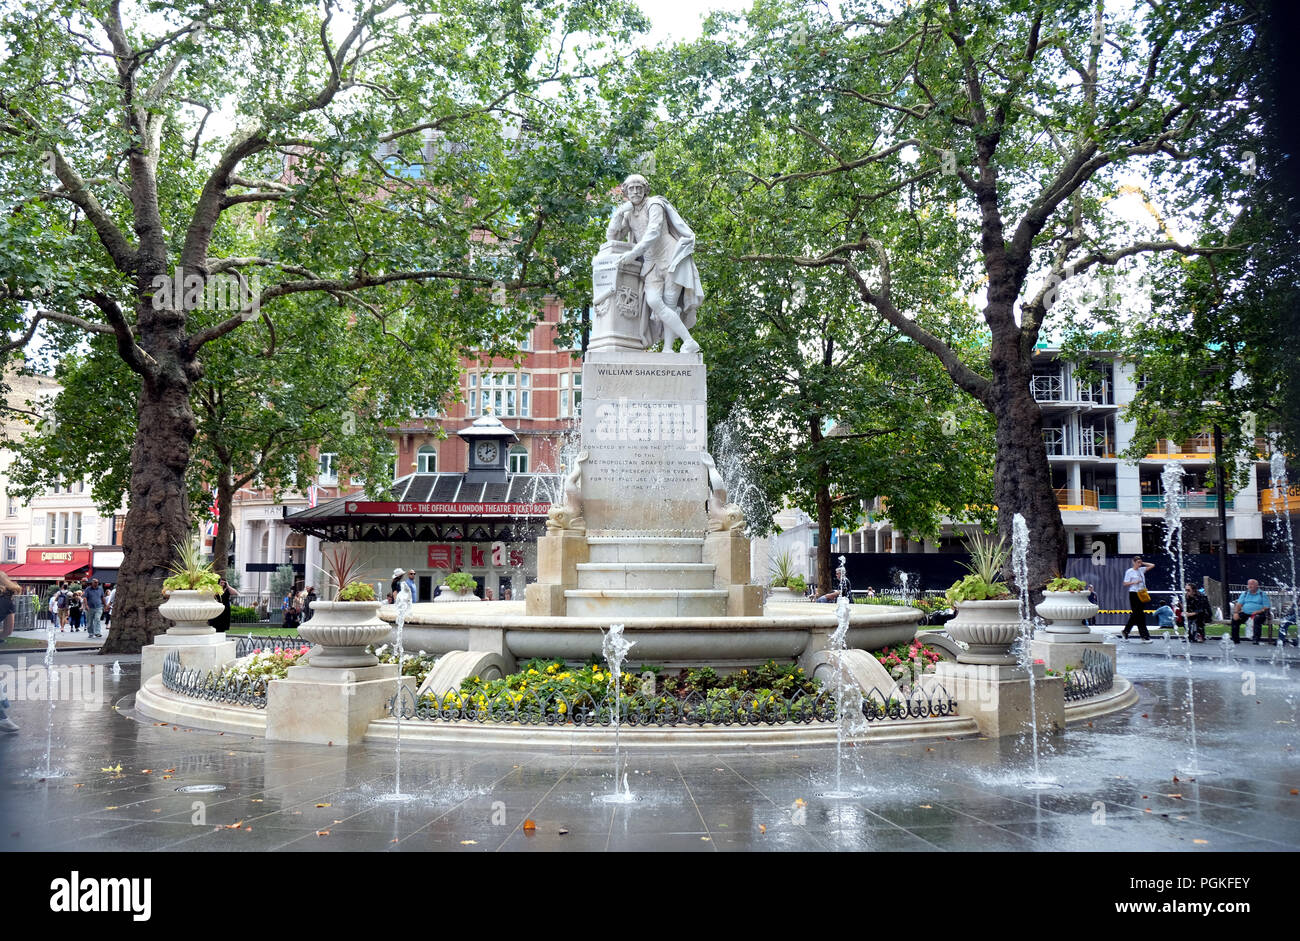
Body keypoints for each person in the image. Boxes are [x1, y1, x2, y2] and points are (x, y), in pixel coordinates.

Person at [601, 174, 704, 354]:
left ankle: (668, 349)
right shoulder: (629, 213)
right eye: (631, 188)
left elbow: (654, 232)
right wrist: (618, 213)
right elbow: (612, 237)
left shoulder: (654, 204)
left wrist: (633, 253)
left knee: (670, 304)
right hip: (650, 263)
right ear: (625, 192)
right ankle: (689, 340)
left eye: (639, 188)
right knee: (654, 300)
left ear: (645, 190)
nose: (635, 191)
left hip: (671, 257)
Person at [1121, 555, 1155, 643]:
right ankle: (1144, 636)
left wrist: (1142, 563)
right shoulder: (1129, 571)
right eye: (1137, 562)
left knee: (1138, 614)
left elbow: (1152, 565)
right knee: (1138, 614)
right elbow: (1125, 583)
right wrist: (1134, 582)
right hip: (1133, 593)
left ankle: (1126, 631)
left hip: (1142, 593)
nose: (1139, 564)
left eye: (1140, 562)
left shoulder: (1141, 570)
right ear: (1133, 562)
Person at [1231, 578, 1273, 644]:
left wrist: (1257, 612)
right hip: (1246, 613)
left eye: (1252, 584)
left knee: (1257, 618)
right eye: (1249, 584)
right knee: (1235, 619)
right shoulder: (1245, 594)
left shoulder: (1262, 594)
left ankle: (1256, 639)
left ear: (1257, 586)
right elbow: (1238, 604)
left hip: (1259, 613)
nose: (1250, 586)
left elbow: (1266, 607)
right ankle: (1235, 640)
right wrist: (1236, 613)